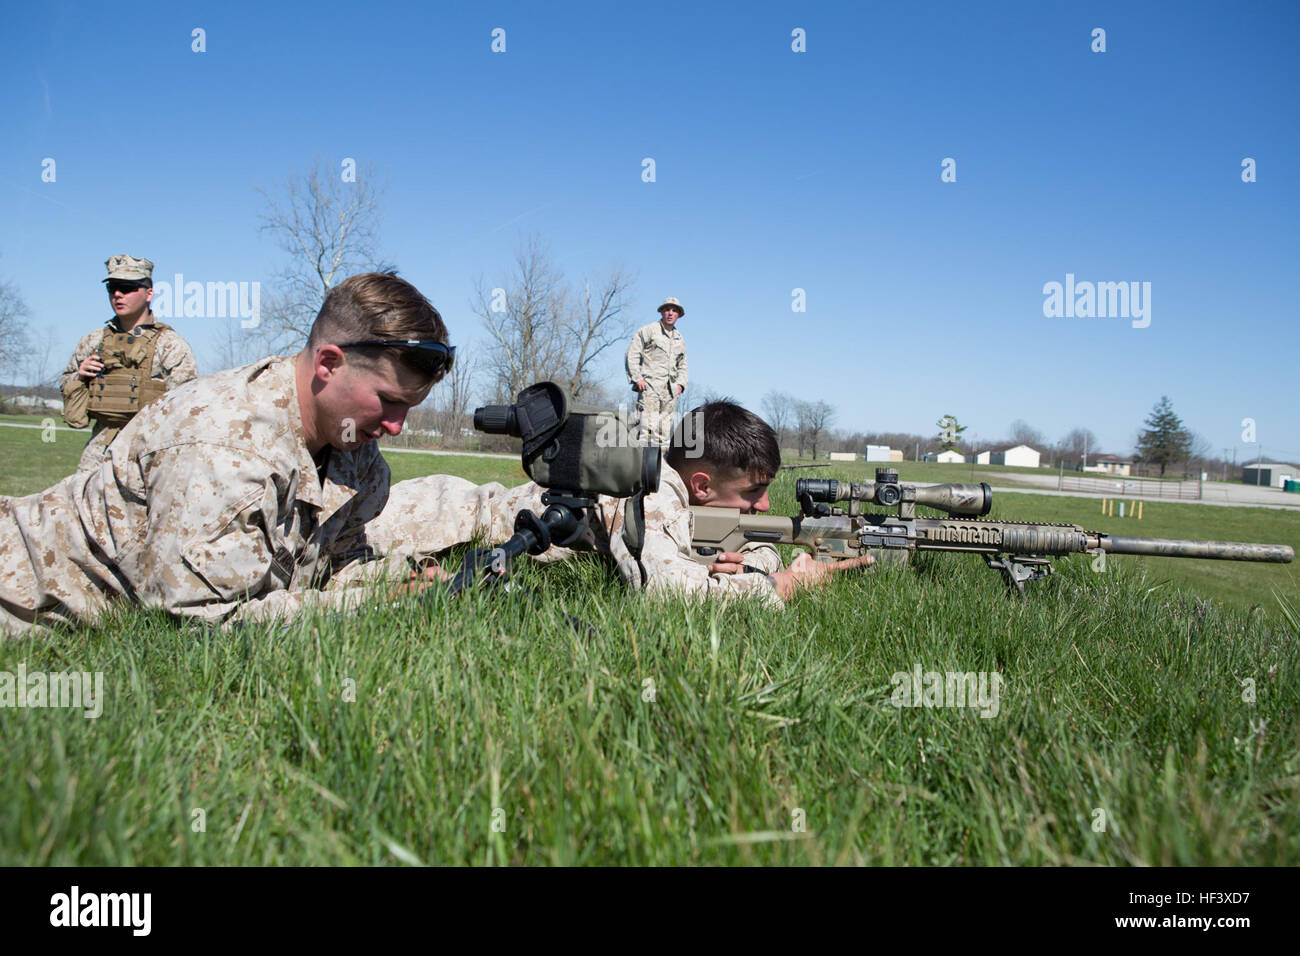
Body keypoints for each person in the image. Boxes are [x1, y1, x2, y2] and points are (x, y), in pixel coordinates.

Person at [0, 273, 454, 638]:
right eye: (388, 400)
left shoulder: (354, 451)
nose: (397, 425)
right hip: (17, 597)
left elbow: (330, 564)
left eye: (410, 408)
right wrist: (369, 603)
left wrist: (401, 580)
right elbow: (196, 624)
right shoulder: (223, 448)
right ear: (328, 364)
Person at [368, 401, 872, 608]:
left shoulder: (676, 495)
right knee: (308, 566)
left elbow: (715, 556)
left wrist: (754, 564)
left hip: (451, 517)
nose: (764, 507)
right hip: (436, 515)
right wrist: (778, 587)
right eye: (751, 493)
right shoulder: (655, 494)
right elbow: (666, 591)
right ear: (700, 486)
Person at [60, 255, 198, 473]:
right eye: (113, 288)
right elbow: (66, 384)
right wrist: (79, 377)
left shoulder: (169, 345)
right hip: (99, 451)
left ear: (149, 293)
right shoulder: (93, 341)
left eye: (127, 287)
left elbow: (187, 406)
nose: (117, 294)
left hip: (148, 453)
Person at [625, 296, 688, 446]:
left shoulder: (680, 339)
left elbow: (683, 365)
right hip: (649, 388)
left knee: (662, 435)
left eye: (674, 310)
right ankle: (640, 467)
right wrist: (637, 378)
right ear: (661, 312)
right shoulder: (649, 331)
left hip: (669, 392)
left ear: (678, 314)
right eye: (667, 310)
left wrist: (681, 385)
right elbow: (632, 353)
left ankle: (657, 466)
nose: (670, 313)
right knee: (645, 432)